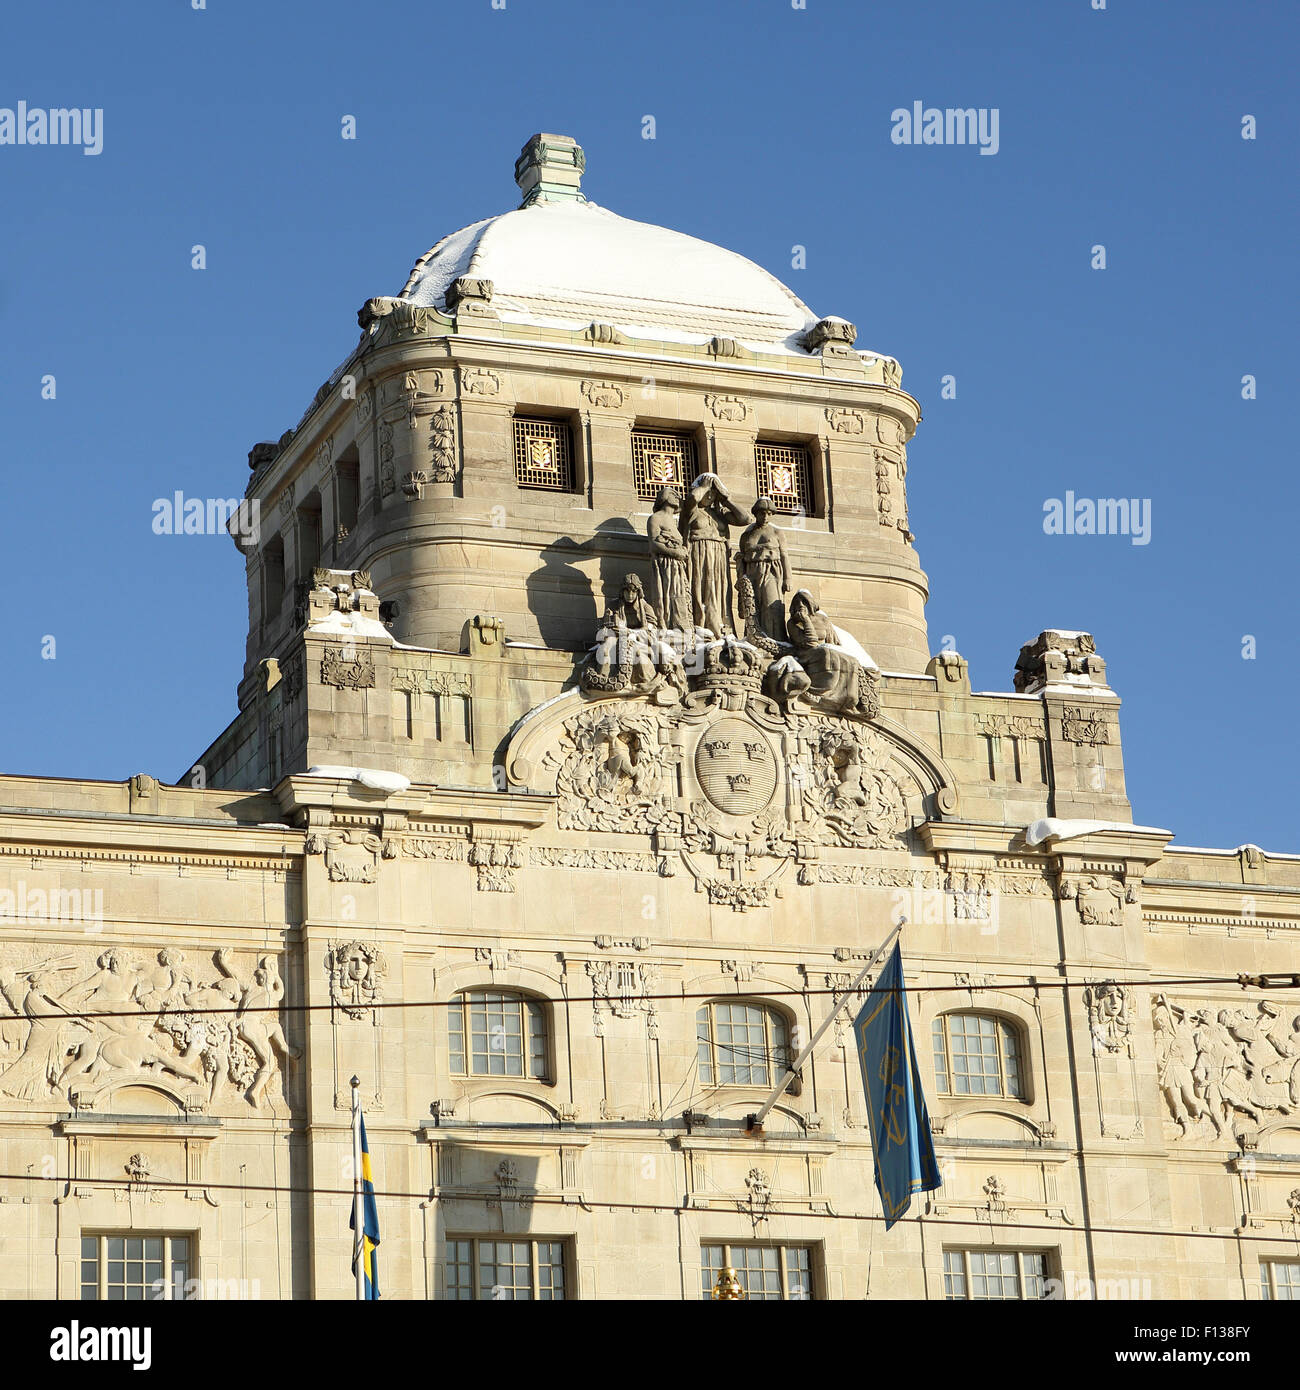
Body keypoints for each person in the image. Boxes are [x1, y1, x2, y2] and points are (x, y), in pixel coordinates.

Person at [785, 590, 878, 716]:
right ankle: (821, 693)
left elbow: (833, 640)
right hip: (806, 653)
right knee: (826, 653)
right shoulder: (792, 623)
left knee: (850, 660)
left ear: (811, 604)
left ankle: (848, 700)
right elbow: (810, 643)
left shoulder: (823, 620)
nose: (801, 605)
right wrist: (806, 621)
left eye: (804, 602)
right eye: (798, 603)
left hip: (824, 649)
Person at [680, 473, 749, 637]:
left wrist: (726, 499)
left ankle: (718, 623)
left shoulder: (721, 514)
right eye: (707, 493)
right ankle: (699, 623)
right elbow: (691, 500)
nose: (709, 496)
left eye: (713, 493)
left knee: (718, 590)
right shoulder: (691, 511)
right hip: (698, 554)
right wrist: (703, 486)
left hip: (718, 556)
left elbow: (745, 518)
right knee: (699, 587)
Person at [736, 497, 792, 642]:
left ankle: (775, 640)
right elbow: (741, 557)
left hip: (772, 571)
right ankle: (754, 639)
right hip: (752, 571)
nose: (765, 516)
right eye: (762, 513)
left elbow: (785, 555)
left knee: (771, 604)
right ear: (756, 514)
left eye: (768, 513)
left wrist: (788, 578)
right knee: (753, 606)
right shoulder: (747, 534)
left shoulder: (777, 532)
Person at [646, 488, 692, 634]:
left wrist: (683, 551)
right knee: (668, 595)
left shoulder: (673, 522)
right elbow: (653, 544)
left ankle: (679, 624)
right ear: (664, 497)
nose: (678, 497)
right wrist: (675, 552)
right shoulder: (656, 518)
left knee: (680, 595)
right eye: (673, 494)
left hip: (677, 566)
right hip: (664, 564)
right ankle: (668, 624)